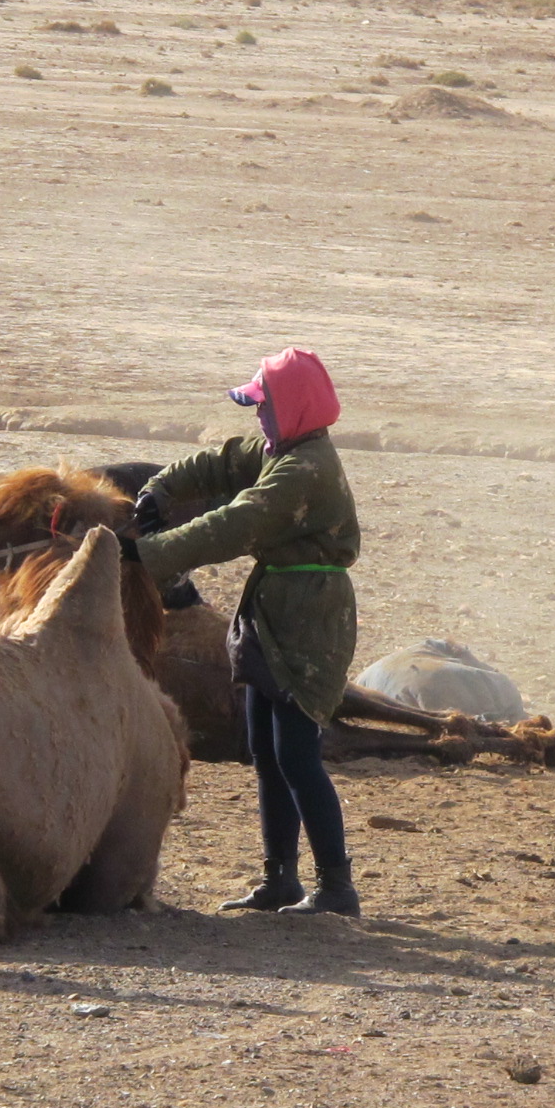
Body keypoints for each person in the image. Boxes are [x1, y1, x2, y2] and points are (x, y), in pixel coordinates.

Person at [134, 348, 364, 916]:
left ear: (294, 409)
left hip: (309, 618)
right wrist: (160, 490)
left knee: (296, 755)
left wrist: (143, 555)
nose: (258, 416)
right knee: (264, 748)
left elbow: (232, 525)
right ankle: (279, 879)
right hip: (273, 607)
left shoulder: (302, 472)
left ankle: (337, 888)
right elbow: (220, 463)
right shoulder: (282, 451)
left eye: (265, 406)